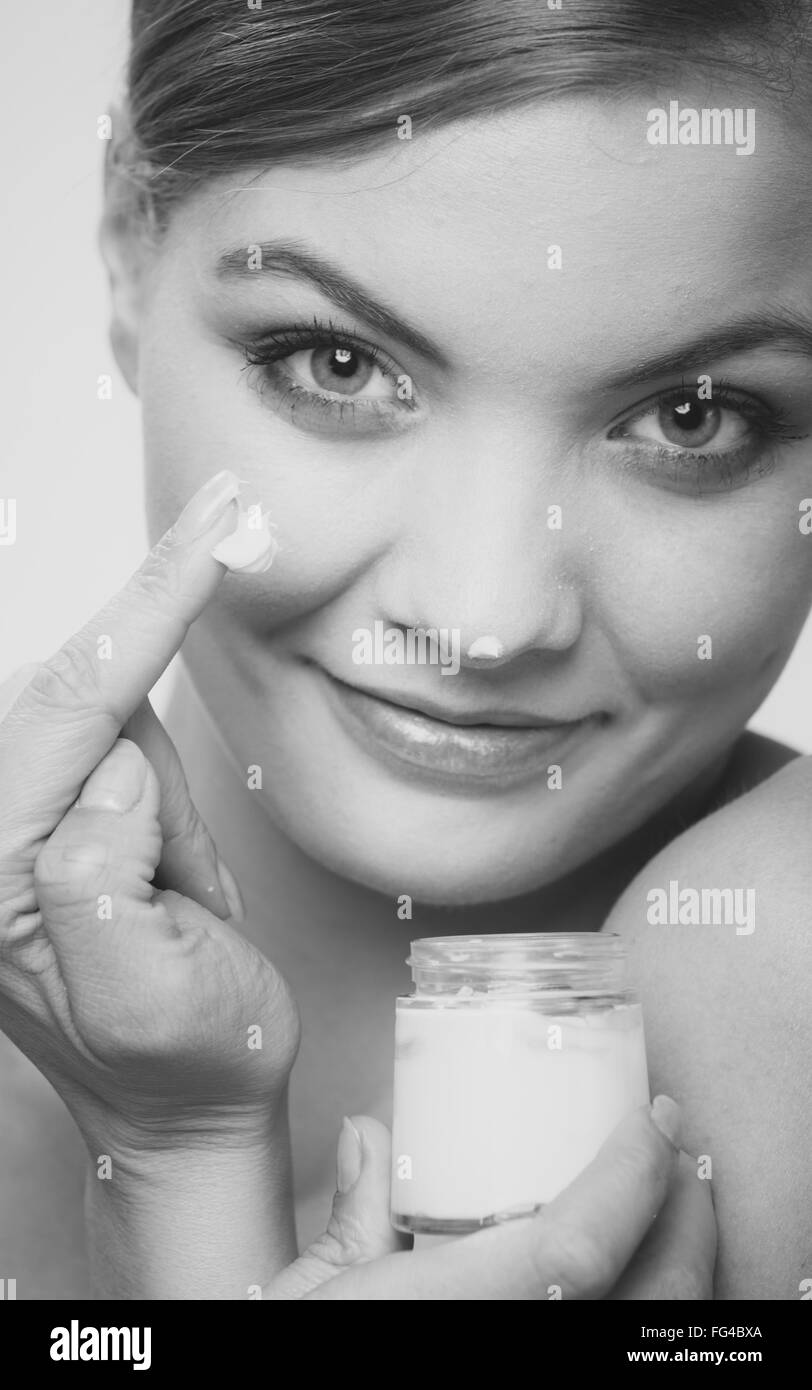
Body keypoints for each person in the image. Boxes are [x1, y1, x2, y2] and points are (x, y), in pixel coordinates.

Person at [1, 0, 811, 1299]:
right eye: (338, 364)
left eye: (690, 417)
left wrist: (176, 1163)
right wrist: (180, 1151)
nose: (485, 620)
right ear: (126, 242)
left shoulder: (784, 959)